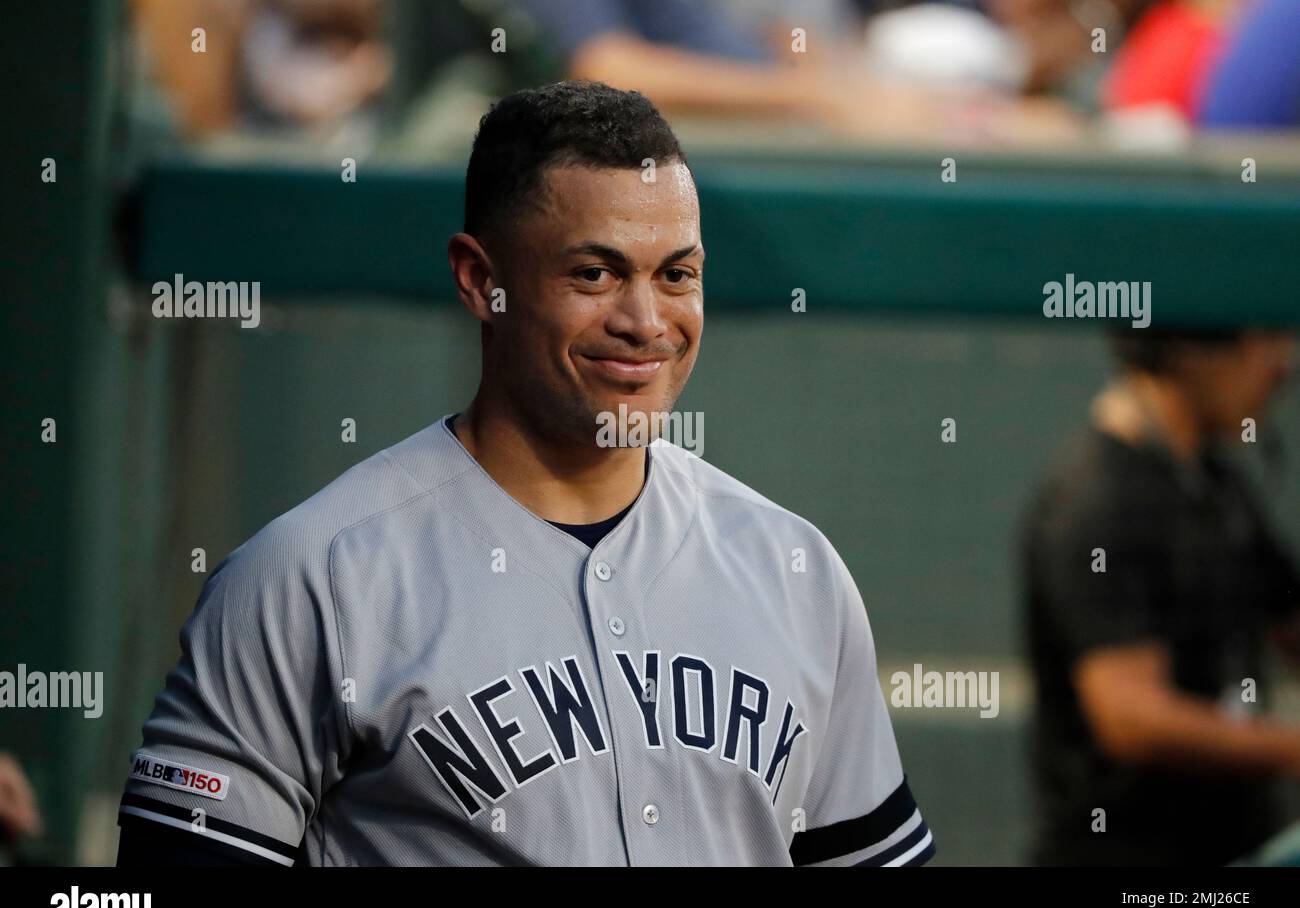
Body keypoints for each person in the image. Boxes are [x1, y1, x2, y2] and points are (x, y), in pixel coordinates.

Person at [117, 80, 933, 867]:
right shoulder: (309, 578)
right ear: (481, 280)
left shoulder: (797, 569)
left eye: (676, 274)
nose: (645, 322)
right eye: (594, 273)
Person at [1021, 324, 1300, 866]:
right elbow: (1132, 716)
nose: (1281, 366)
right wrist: (1291, 747)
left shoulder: (1214, 483)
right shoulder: (1097, 500)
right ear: (1187, 350)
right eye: (1261, 342)